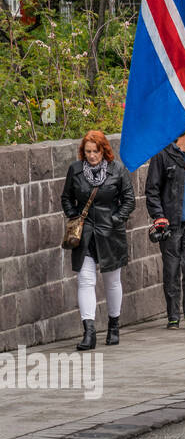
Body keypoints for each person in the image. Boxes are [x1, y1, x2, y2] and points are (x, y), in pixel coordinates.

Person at [61, 130, 135, 350]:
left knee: (112, 280)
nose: (91, 155)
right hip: (84, 233)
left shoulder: (117, 170)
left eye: (95, 151)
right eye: (87, 151)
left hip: (110, 231)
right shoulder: (75, 170)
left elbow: (129, 200)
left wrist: (116, 218)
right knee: (85, 280)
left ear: (104, 150)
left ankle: (113, 325)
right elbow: (66, 197)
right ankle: (89, 331)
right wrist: (73, 214)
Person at [145, 120, 185, 331]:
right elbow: (152, 190)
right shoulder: (163, 155)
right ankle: (173, 315)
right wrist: (158, 216)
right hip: (170, 225)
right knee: (171, 270)